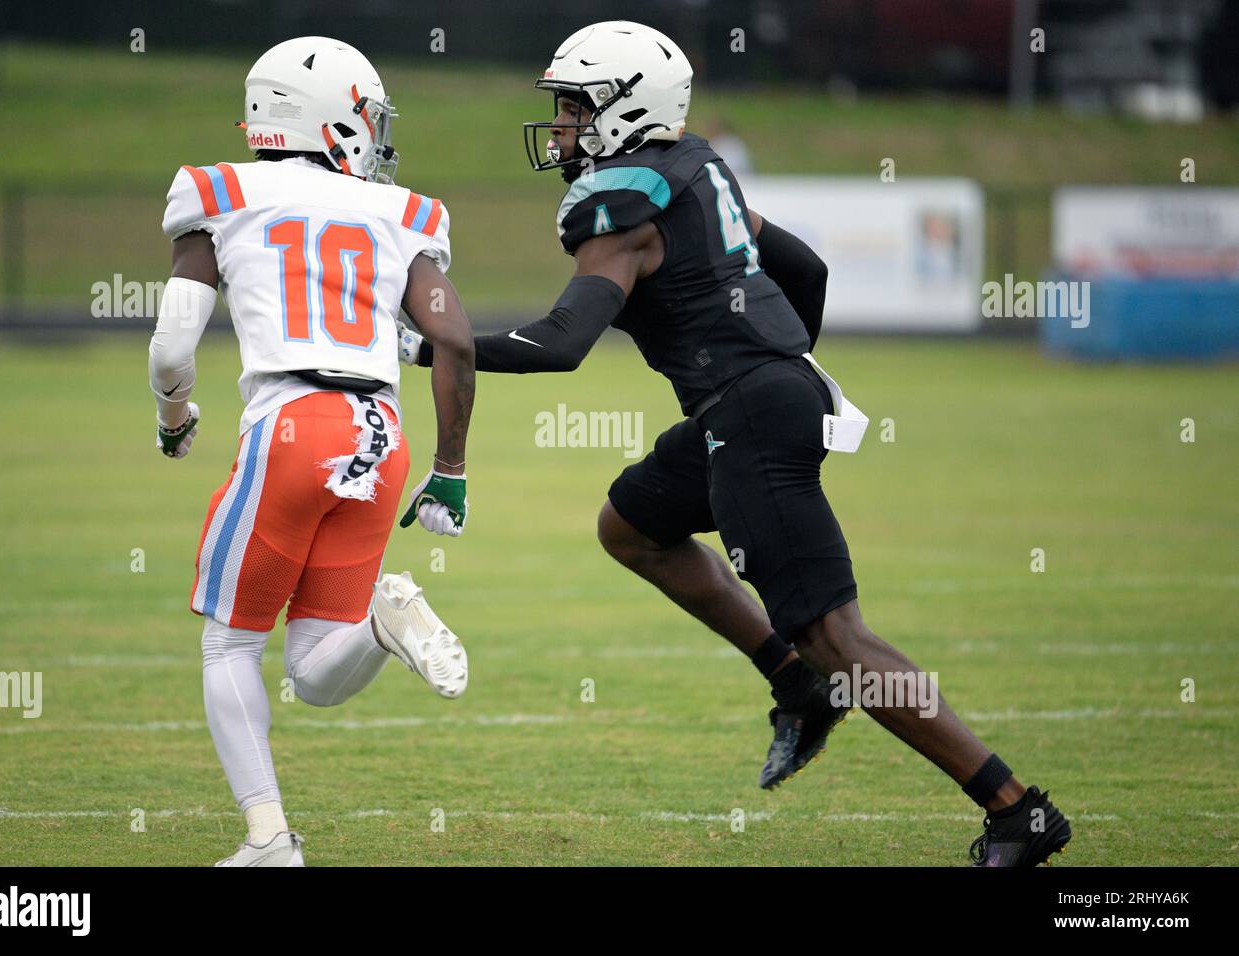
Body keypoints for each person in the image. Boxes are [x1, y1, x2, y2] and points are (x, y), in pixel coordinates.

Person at [398, 21, 1069, 866]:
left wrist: (428, 344)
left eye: (574, 107)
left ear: (624, 108)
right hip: (756, 401)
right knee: (631, 524)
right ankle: (795, 682)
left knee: (840, 638)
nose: (561, 126)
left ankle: (1017, 809)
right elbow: (809, 269)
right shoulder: (698, 167)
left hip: (747, 411)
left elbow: (563, 343)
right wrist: (779, 373)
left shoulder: (621, 209)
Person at [149, 36, 476, 866]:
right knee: (315, 670)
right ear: (330, 119)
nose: (375, 130)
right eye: (368, 114)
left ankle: (268, 839)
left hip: (292, 428)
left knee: (230, 644)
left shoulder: (218, 191)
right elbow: (452, 342)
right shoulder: (405, 212)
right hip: (383, 435)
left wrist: (173, 414)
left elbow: (171, 345)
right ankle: (382, 620)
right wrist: (451, 470)